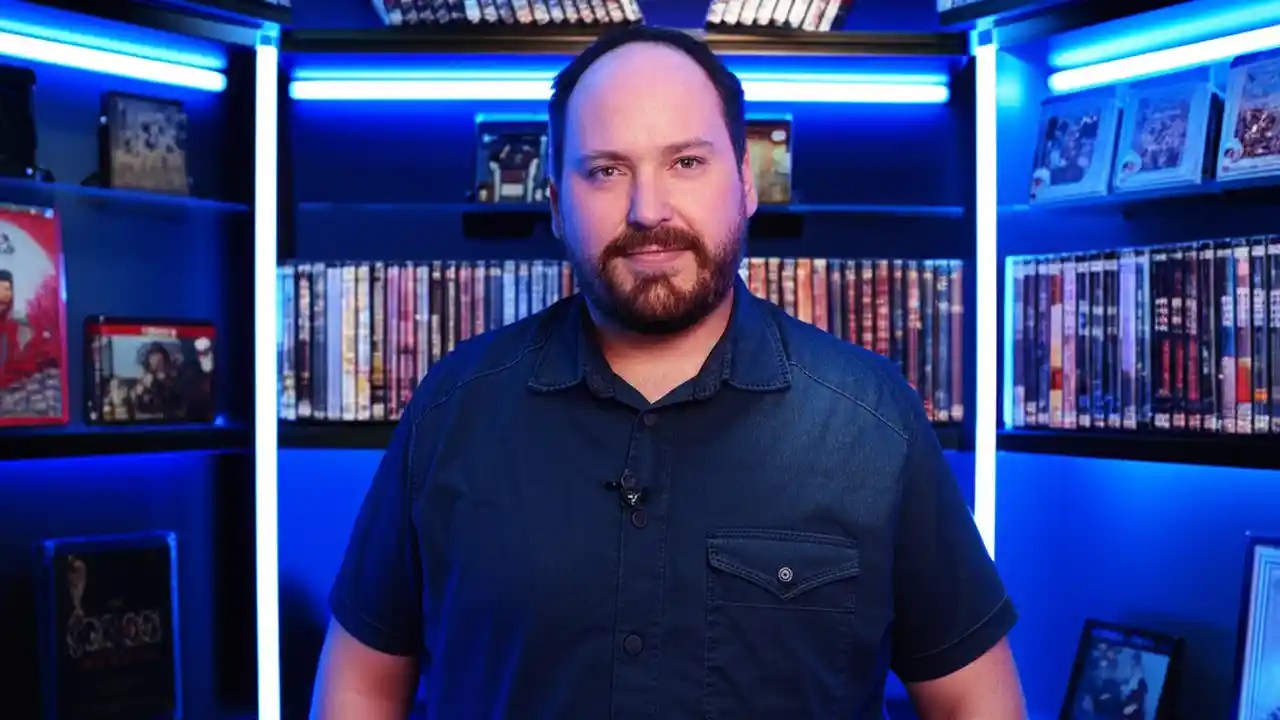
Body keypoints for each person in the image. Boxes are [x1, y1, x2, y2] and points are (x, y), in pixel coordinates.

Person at [310, 25, 1025, 719]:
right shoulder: (451, 411)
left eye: (686, 162)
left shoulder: (872, 423)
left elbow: (972, 698)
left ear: (746, 184)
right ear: (556, 205)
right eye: (605, 170)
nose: (648, 209)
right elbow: (363, 685)